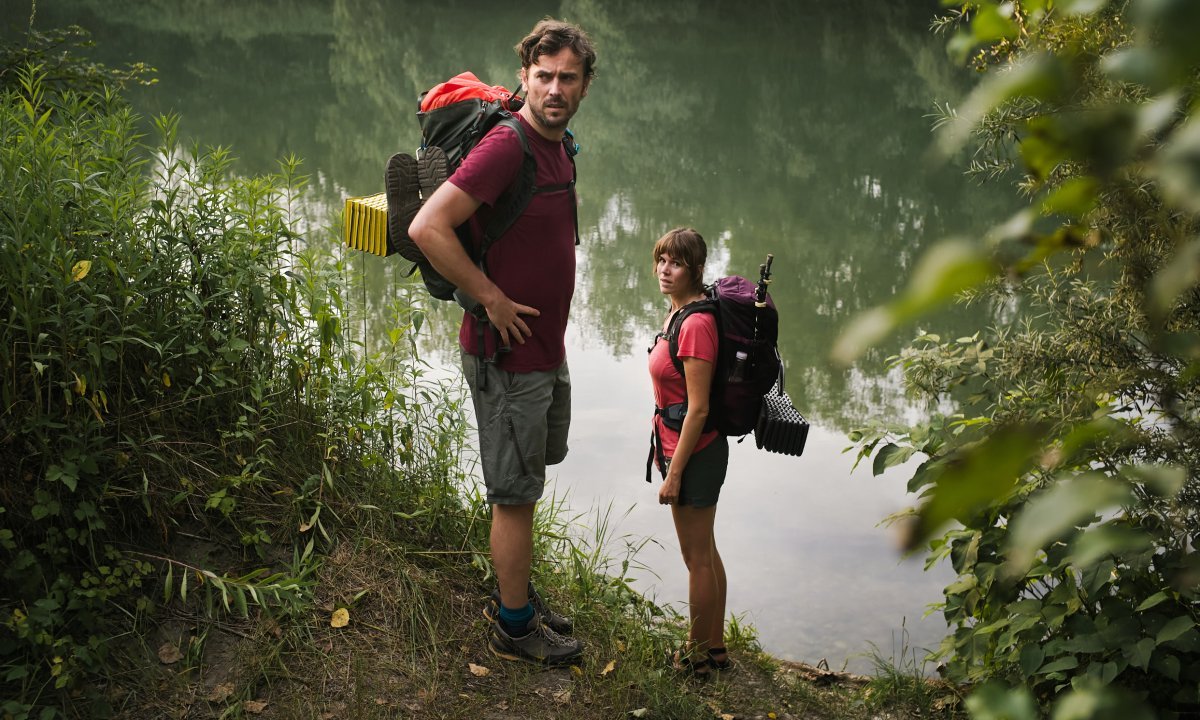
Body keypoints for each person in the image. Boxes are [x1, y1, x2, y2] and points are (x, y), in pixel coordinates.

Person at [408, 18, 596, 666]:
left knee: (528, 483)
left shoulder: (562, 144)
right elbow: (429, 226)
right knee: (514, 498)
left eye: (566, 78)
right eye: (542, 76)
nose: (553, 88)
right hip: (506, 355)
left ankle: (518, 593)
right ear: (524, 77)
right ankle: (514, 627)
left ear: (584, 85)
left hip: (545, 349)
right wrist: (489, 296)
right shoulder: (508, 146)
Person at [647, 227, 732, 678]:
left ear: (695, 269)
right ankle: (715, 648)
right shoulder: (678, 312)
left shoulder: (696, 325)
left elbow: (697, 409)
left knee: (696, 557)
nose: (664, 269)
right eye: (661, 260)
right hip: (681, 447)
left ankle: (695, 656)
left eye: (675, 263)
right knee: (706, 550)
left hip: (694, 452)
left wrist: (674, 473)